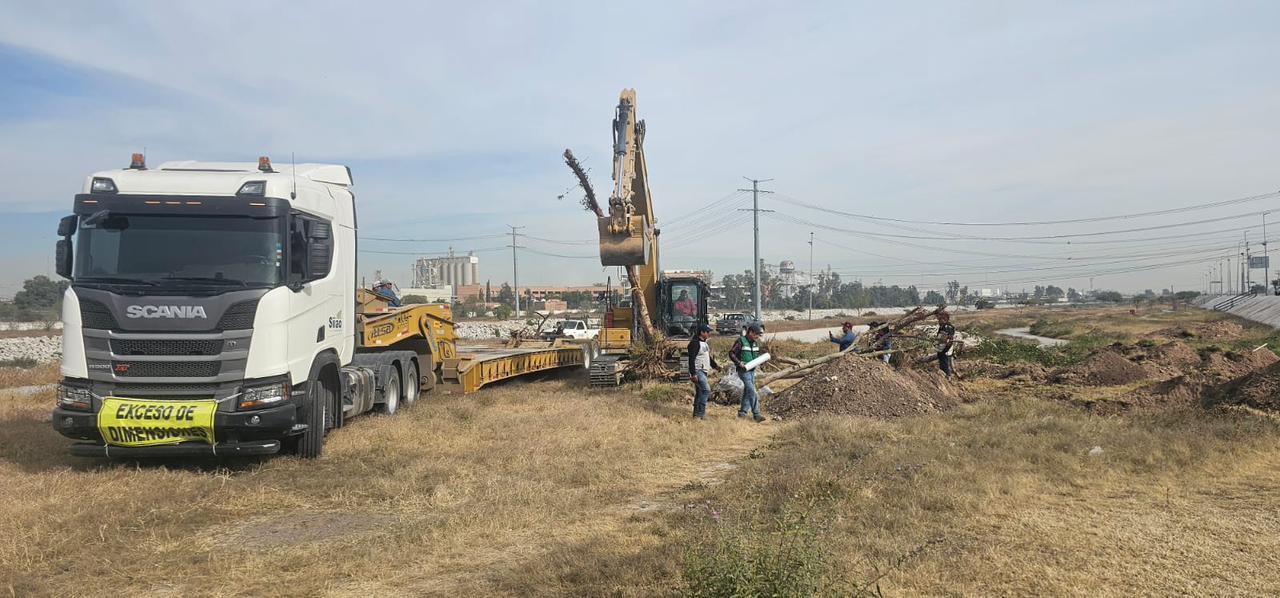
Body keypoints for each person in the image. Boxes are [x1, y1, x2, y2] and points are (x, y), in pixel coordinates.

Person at [729, 323, 767, 422]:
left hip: (752, 371)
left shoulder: (755, 343)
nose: (758, 336)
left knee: (747, 391)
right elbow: (731, 353)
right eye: (756, 334)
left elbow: (755, 356)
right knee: (752, 390)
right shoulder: (741, 341)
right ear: (750, 332)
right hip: (743, 371)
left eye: (759, 334)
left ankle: (742, 413)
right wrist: (739, 363)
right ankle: (756, 414)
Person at [686, 324, 719, 420]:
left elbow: (707, 357)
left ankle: (696, 414)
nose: (709, 334)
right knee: (706, 390)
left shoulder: (704, 343)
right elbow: (691, 359)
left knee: (700, 392)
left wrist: (715, 366)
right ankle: (701, 414)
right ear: (701, 332)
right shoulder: (695, 343)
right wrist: (693, 374)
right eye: (707, 332)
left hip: (704, 371)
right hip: (698, 370)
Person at [936, 311, 957, 377]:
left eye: (942, 318)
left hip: (946, 349)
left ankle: (948, 377)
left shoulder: (948, 327)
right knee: (943, 363)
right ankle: (946, 376)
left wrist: (945, 349)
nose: (940, 320)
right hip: (942, 348)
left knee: (945, 364)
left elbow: (949, 339)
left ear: (947, 319)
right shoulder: (943, 327)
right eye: (939, 319)